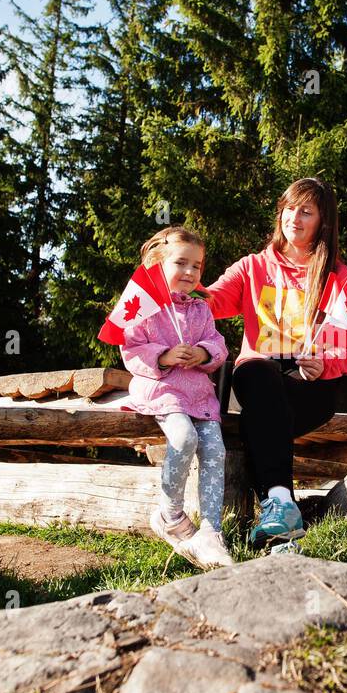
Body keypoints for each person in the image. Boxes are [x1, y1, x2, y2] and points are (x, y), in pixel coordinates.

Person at [204, 177, 347, 546]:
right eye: (289, 208)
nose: (294, 217)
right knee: (258, 375)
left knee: (258, 424)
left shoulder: (338, 277)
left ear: (323, 222)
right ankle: (280, 502)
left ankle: (280, 514)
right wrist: (180, 282)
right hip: (259, 377)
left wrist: (326, 364)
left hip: (309, 389)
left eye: (306, 211)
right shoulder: (252, 267)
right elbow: (212, 301)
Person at [120, 226, 234, 569]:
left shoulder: (200, 309)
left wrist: (203, 352)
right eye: (181, 263)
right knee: (184, 439)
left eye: (197, 266)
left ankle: (211, 532)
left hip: (199, 395)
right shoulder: (143, 305)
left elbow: (218, 344)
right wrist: (164, 355)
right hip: (164, 391)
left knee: (216, 449)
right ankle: (169, 513)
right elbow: (131, 349)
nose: (190, 272)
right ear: (158, 264)